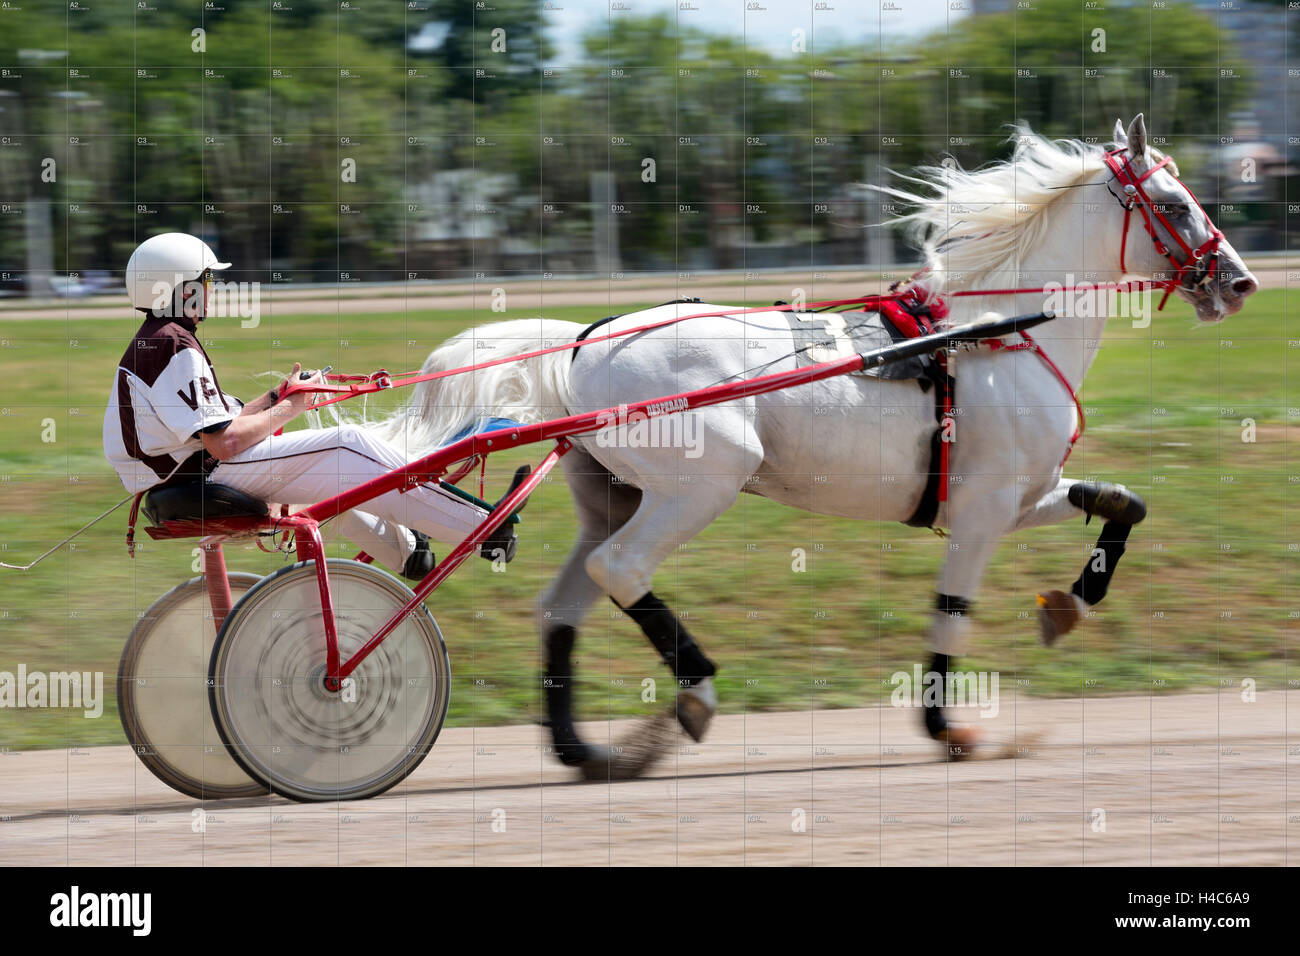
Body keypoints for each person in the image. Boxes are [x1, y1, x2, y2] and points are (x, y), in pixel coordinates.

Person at [102, 232, 519, 579]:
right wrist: (293, 407)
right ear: (182, 288)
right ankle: (487, 529)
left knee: (326, 470)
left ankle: (409, 551)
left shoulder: (156, 340)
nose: (212, 292)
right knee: (346, 446)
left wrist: (277, 396)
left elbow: (217, 423)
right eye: (206, 282)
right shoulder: (172, 344)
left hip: (190, 477)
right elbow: (223, 443)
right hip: (204, 476)